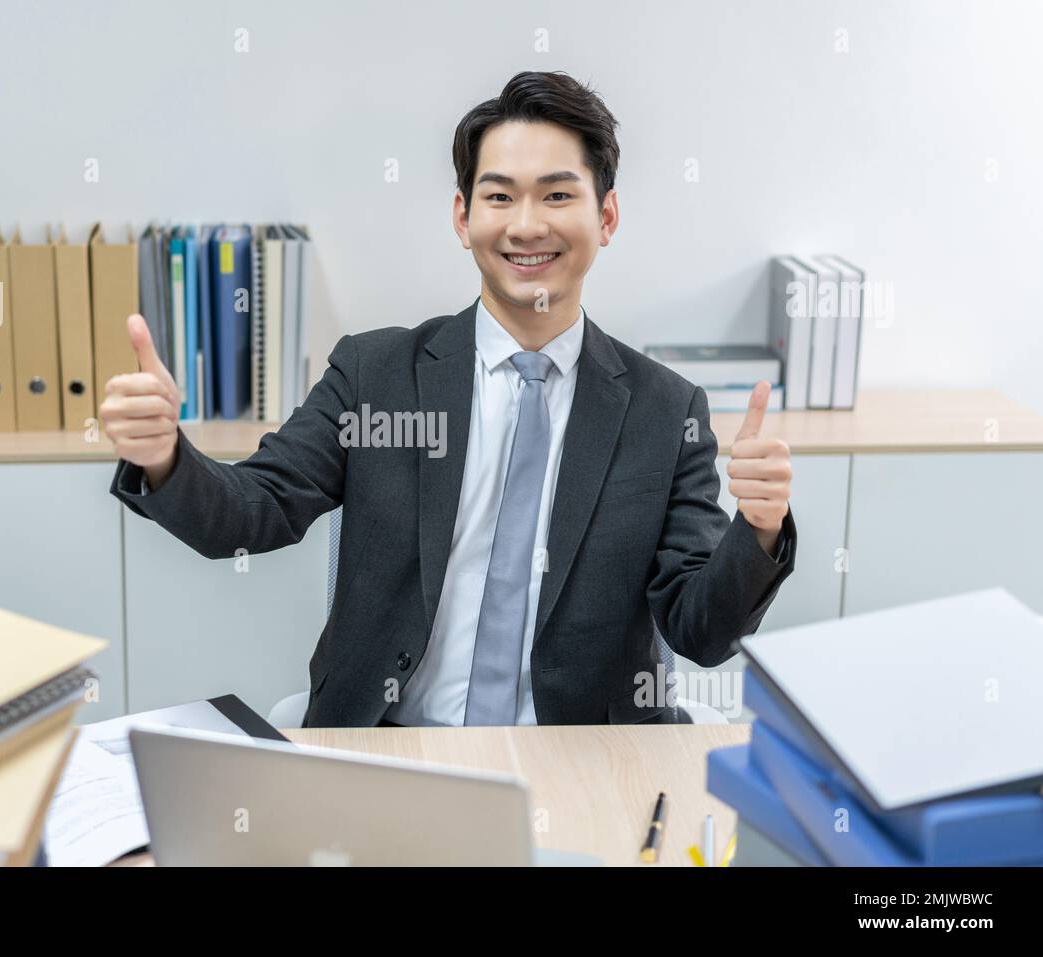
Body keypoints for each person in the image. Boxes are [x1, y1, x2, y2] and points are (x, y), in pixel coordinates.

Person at [102, 70, 796, 728]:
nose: (526, 225)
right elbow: (251, 514)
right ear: (463, 217)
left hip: (582, 758)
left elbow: (701, 631)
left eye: (557, 195)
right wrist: (165, 457)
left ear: (606, 215)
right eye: (499, 196)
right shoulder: (376, 374)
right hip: (393, 746)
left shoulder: (664, 412)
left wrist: (757, 528)